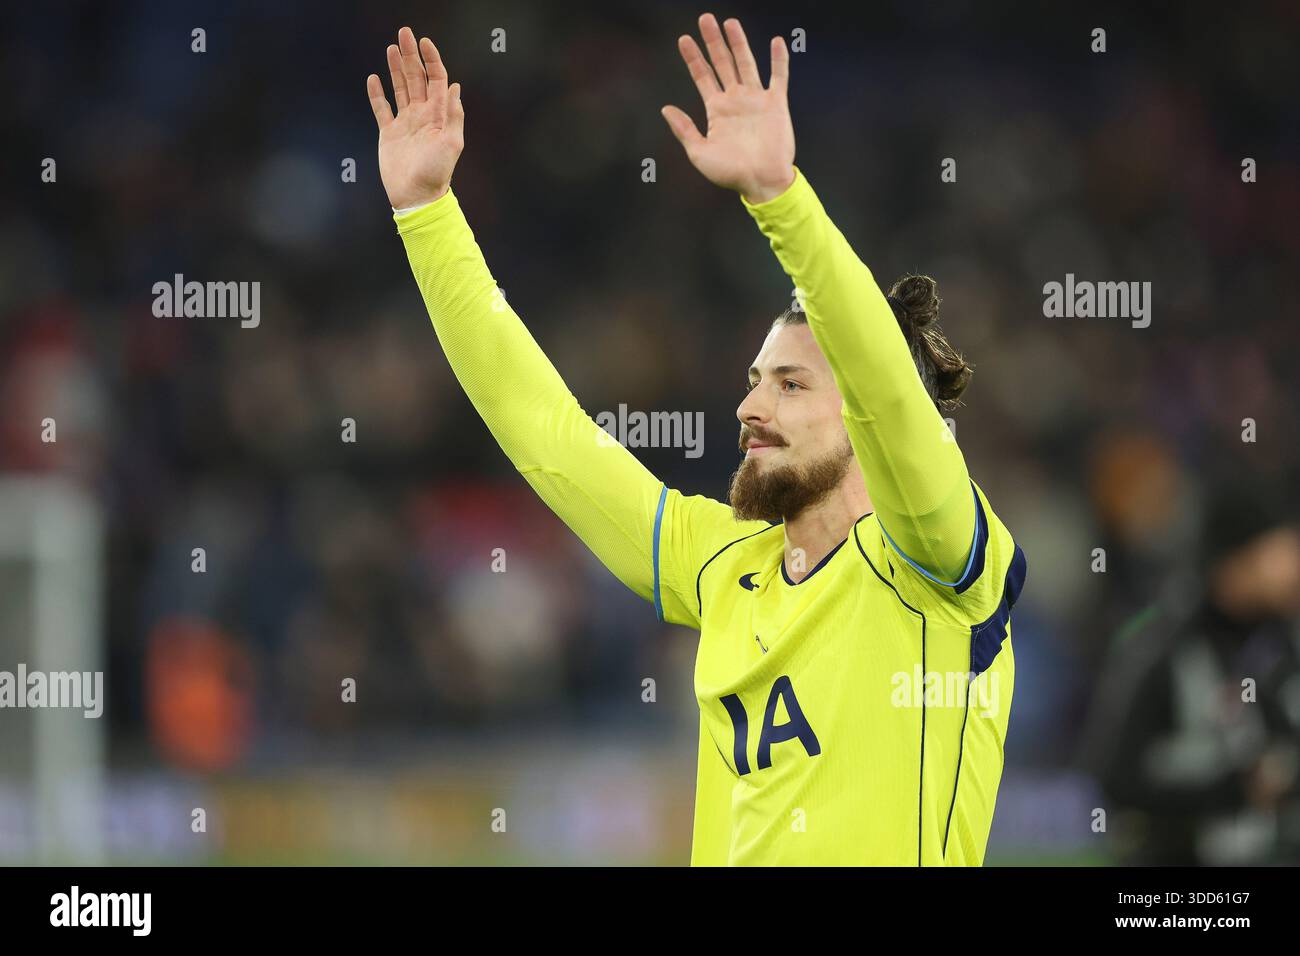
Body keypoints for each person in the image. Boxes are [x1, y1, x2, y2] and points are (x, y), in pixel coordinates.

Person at [365, 15, 1026, 865]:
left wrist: (780, 201)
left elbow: (888, 387)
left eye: (790, 385)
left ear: (864, 417)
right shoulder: (721, 565)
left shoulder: (933, 562)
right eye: (755, 380)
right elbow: (546, 431)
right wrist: (427, 215)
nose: (753, 406)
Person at [1080, 474, 1300, 865]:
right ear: (1236, 562)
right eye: (1279, 548)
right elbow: (1113, 772)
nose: (1291, 563)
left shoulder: (1279, 641)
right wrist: (1237, 787)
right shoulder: (1162, 647)